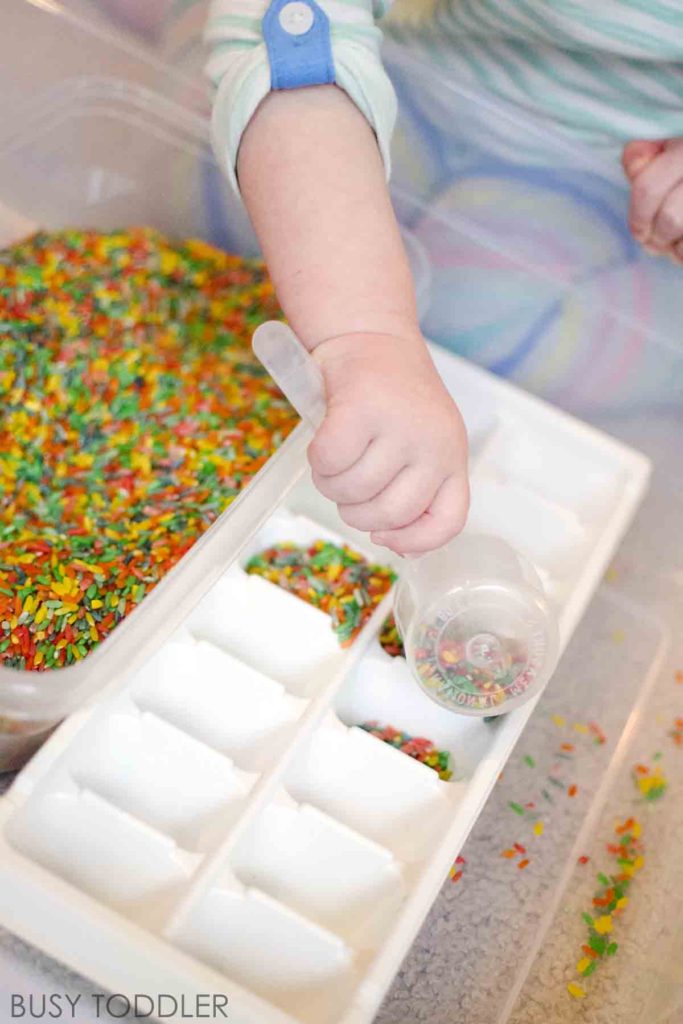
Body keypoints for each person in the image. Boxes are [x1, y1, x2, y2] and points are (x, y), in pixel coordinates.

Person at [205, 0, 683, 556]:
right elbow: (289, 27)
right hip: (427, 75)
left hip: (609, 178)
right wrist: (364, 333)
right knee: (232, 207)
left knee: (489, 331)